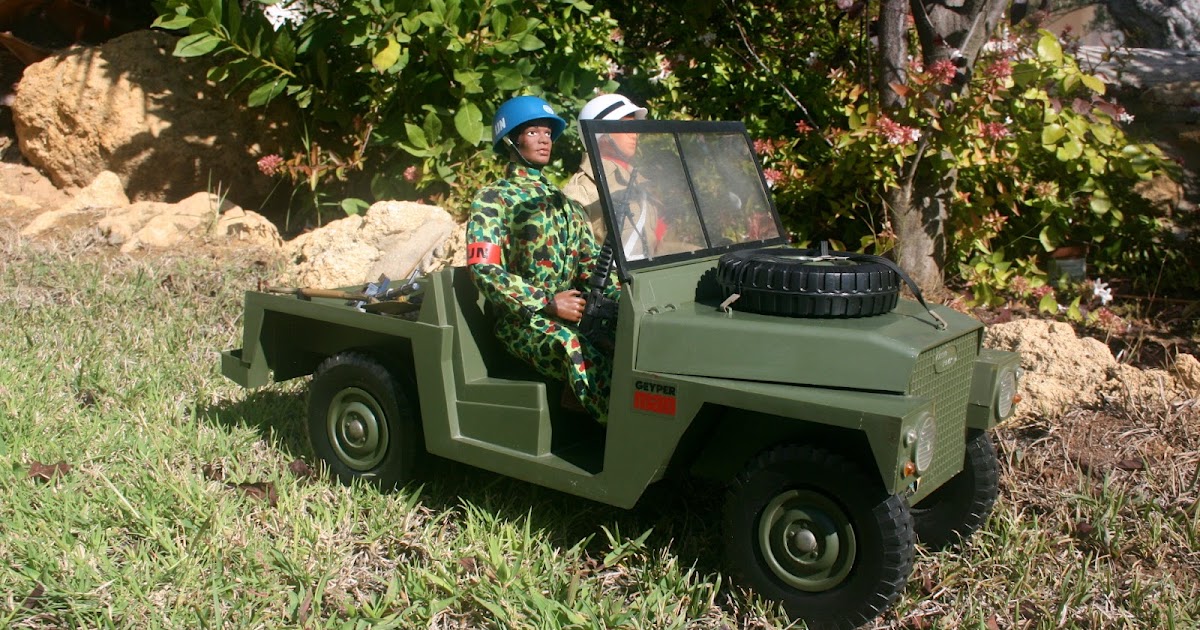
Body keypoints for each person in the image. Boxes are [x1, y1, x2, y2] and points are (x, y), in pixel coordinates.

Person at [465, 95, 620, 423]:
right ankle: (618, 432)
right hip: (520, 321)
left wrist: (623, 299)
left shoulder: (565, 204)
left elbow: (592, 263)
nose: (544, 140)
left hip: (574, 314)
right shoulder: (493, 199)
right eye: (533, 132)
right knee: (573, 348)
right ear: (511, 140)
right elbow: (484, 269)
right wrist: (546, 302)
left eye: (548, 133)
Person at [562, 93, 666, 260]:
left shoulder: (640, 183)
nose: (634, 134)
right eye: (625, 128)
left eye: (634, 127)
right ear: (602, 135)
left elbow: (659, 246)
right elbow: (579, 260)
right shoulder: (582, 191)